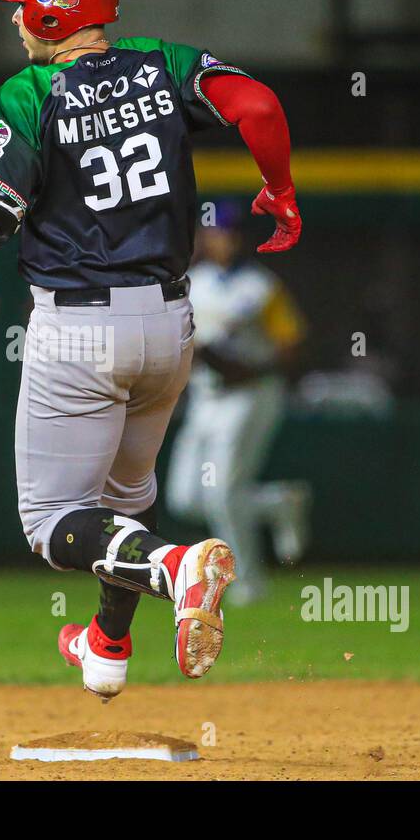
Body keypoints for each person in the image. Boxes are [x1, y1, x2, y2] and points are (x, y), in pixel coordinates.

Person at [0, 0, 301, 700]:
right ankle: (107, 647)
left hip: (78, 328)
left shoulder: (28, 93)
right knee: (123, 503)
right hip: (170, 328)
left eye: (24, 1)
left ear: (53, 8)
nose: (17, 15)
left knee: (54, 524)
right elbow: (260, 105)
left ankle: (175, 569)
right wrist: (277, 187)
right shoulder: (161, 62)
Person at [167, 208, 310, 605]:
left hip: (251, 395)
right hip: (205, 397)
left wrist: (249, 369)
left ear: (240, 237)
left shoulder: (260, 286)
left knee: (221, 494)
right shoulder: (194, 283)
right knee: (185, 498)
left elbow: (291, 345)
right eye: (210, 232)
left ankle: (248, 581)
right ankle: (277, 502)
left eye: (224, 233)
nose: (217, 240)